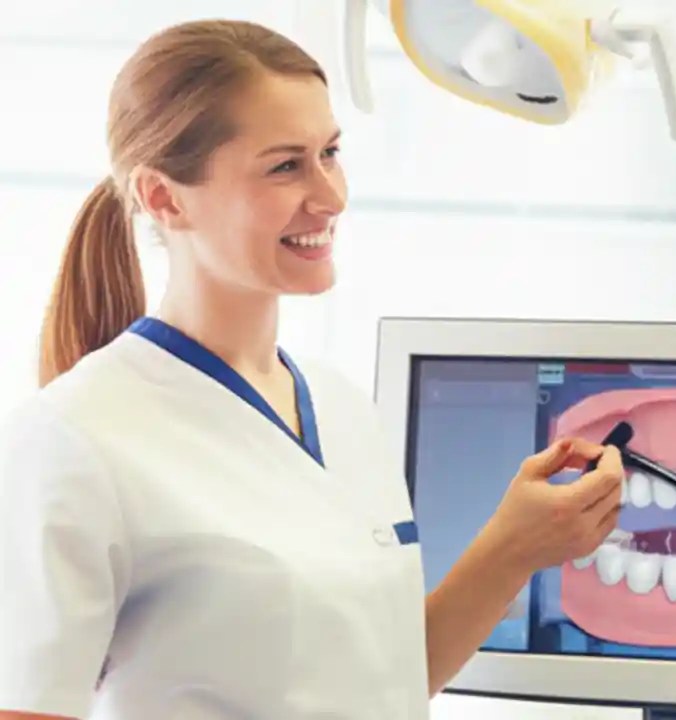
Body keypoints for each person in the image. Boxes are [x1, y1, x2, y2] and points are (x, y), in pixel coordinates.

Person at [0, 19, 624, 720]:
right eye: (285, 165)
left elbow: (377, 683)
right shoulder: (74, 438)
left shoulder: (343, 407)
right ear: (163, 198)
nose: (330, 196)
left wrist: (513, 549)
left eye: (330, 153)